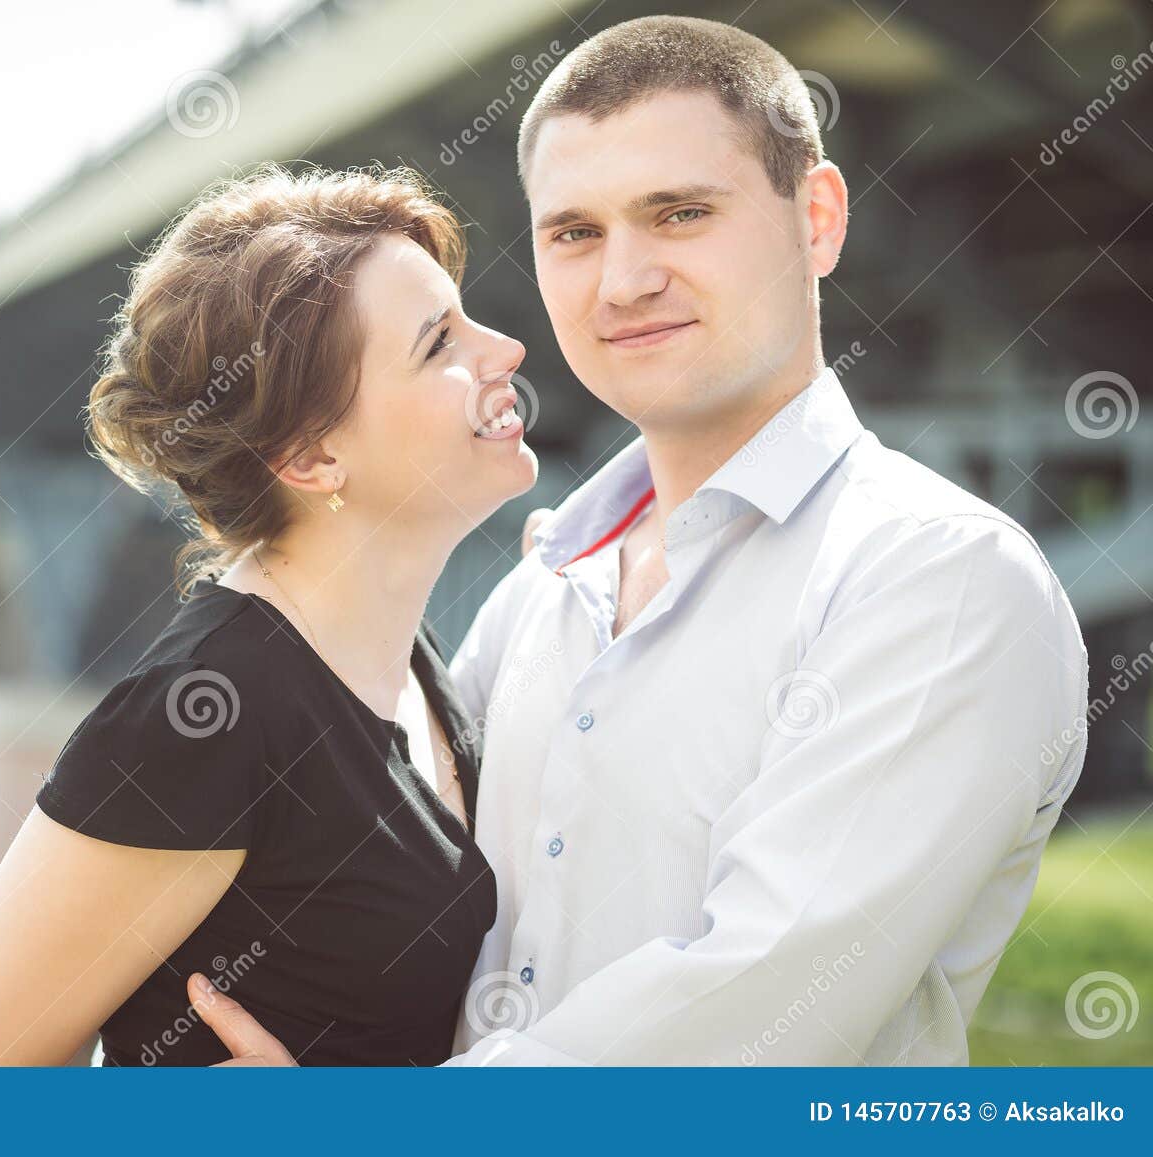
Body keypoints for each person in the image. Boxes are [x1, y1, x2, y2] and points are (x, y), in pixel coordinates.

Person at [187, 15, 1089, 1066]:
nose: (622, 282)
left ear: (819, 218)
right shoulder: (534, 592)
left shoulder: (939, 579)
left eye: (679, 213)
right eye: (575, 232)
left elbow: (757, 1014)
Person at [0, 164, 537, 1066]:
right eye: (439, 344)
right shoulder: (204, 713)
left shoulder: (409, 665)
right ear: (312, 457)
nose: (504, 347)